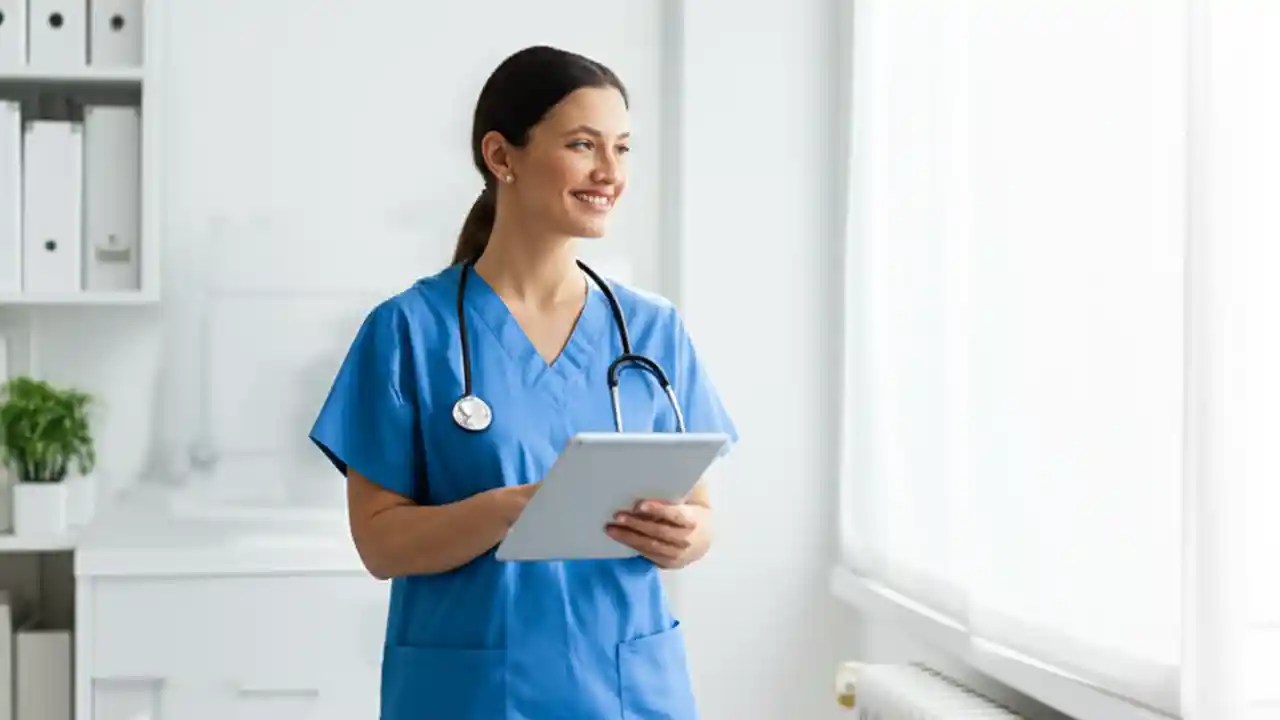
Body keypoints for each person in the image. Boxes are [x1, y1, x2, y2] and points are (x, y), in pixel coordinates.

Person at [308, 45, 738, 719]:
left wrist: (686, 536)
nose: (610, 172)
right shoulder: (408, 333)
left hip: (626, 691)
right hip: (470, 695)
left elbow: (702, 514)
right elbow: (380, 542)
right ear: (501, 157)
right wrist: (519, 511)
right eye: (582, 144)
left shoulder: (650, 331)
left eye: (623, 149)